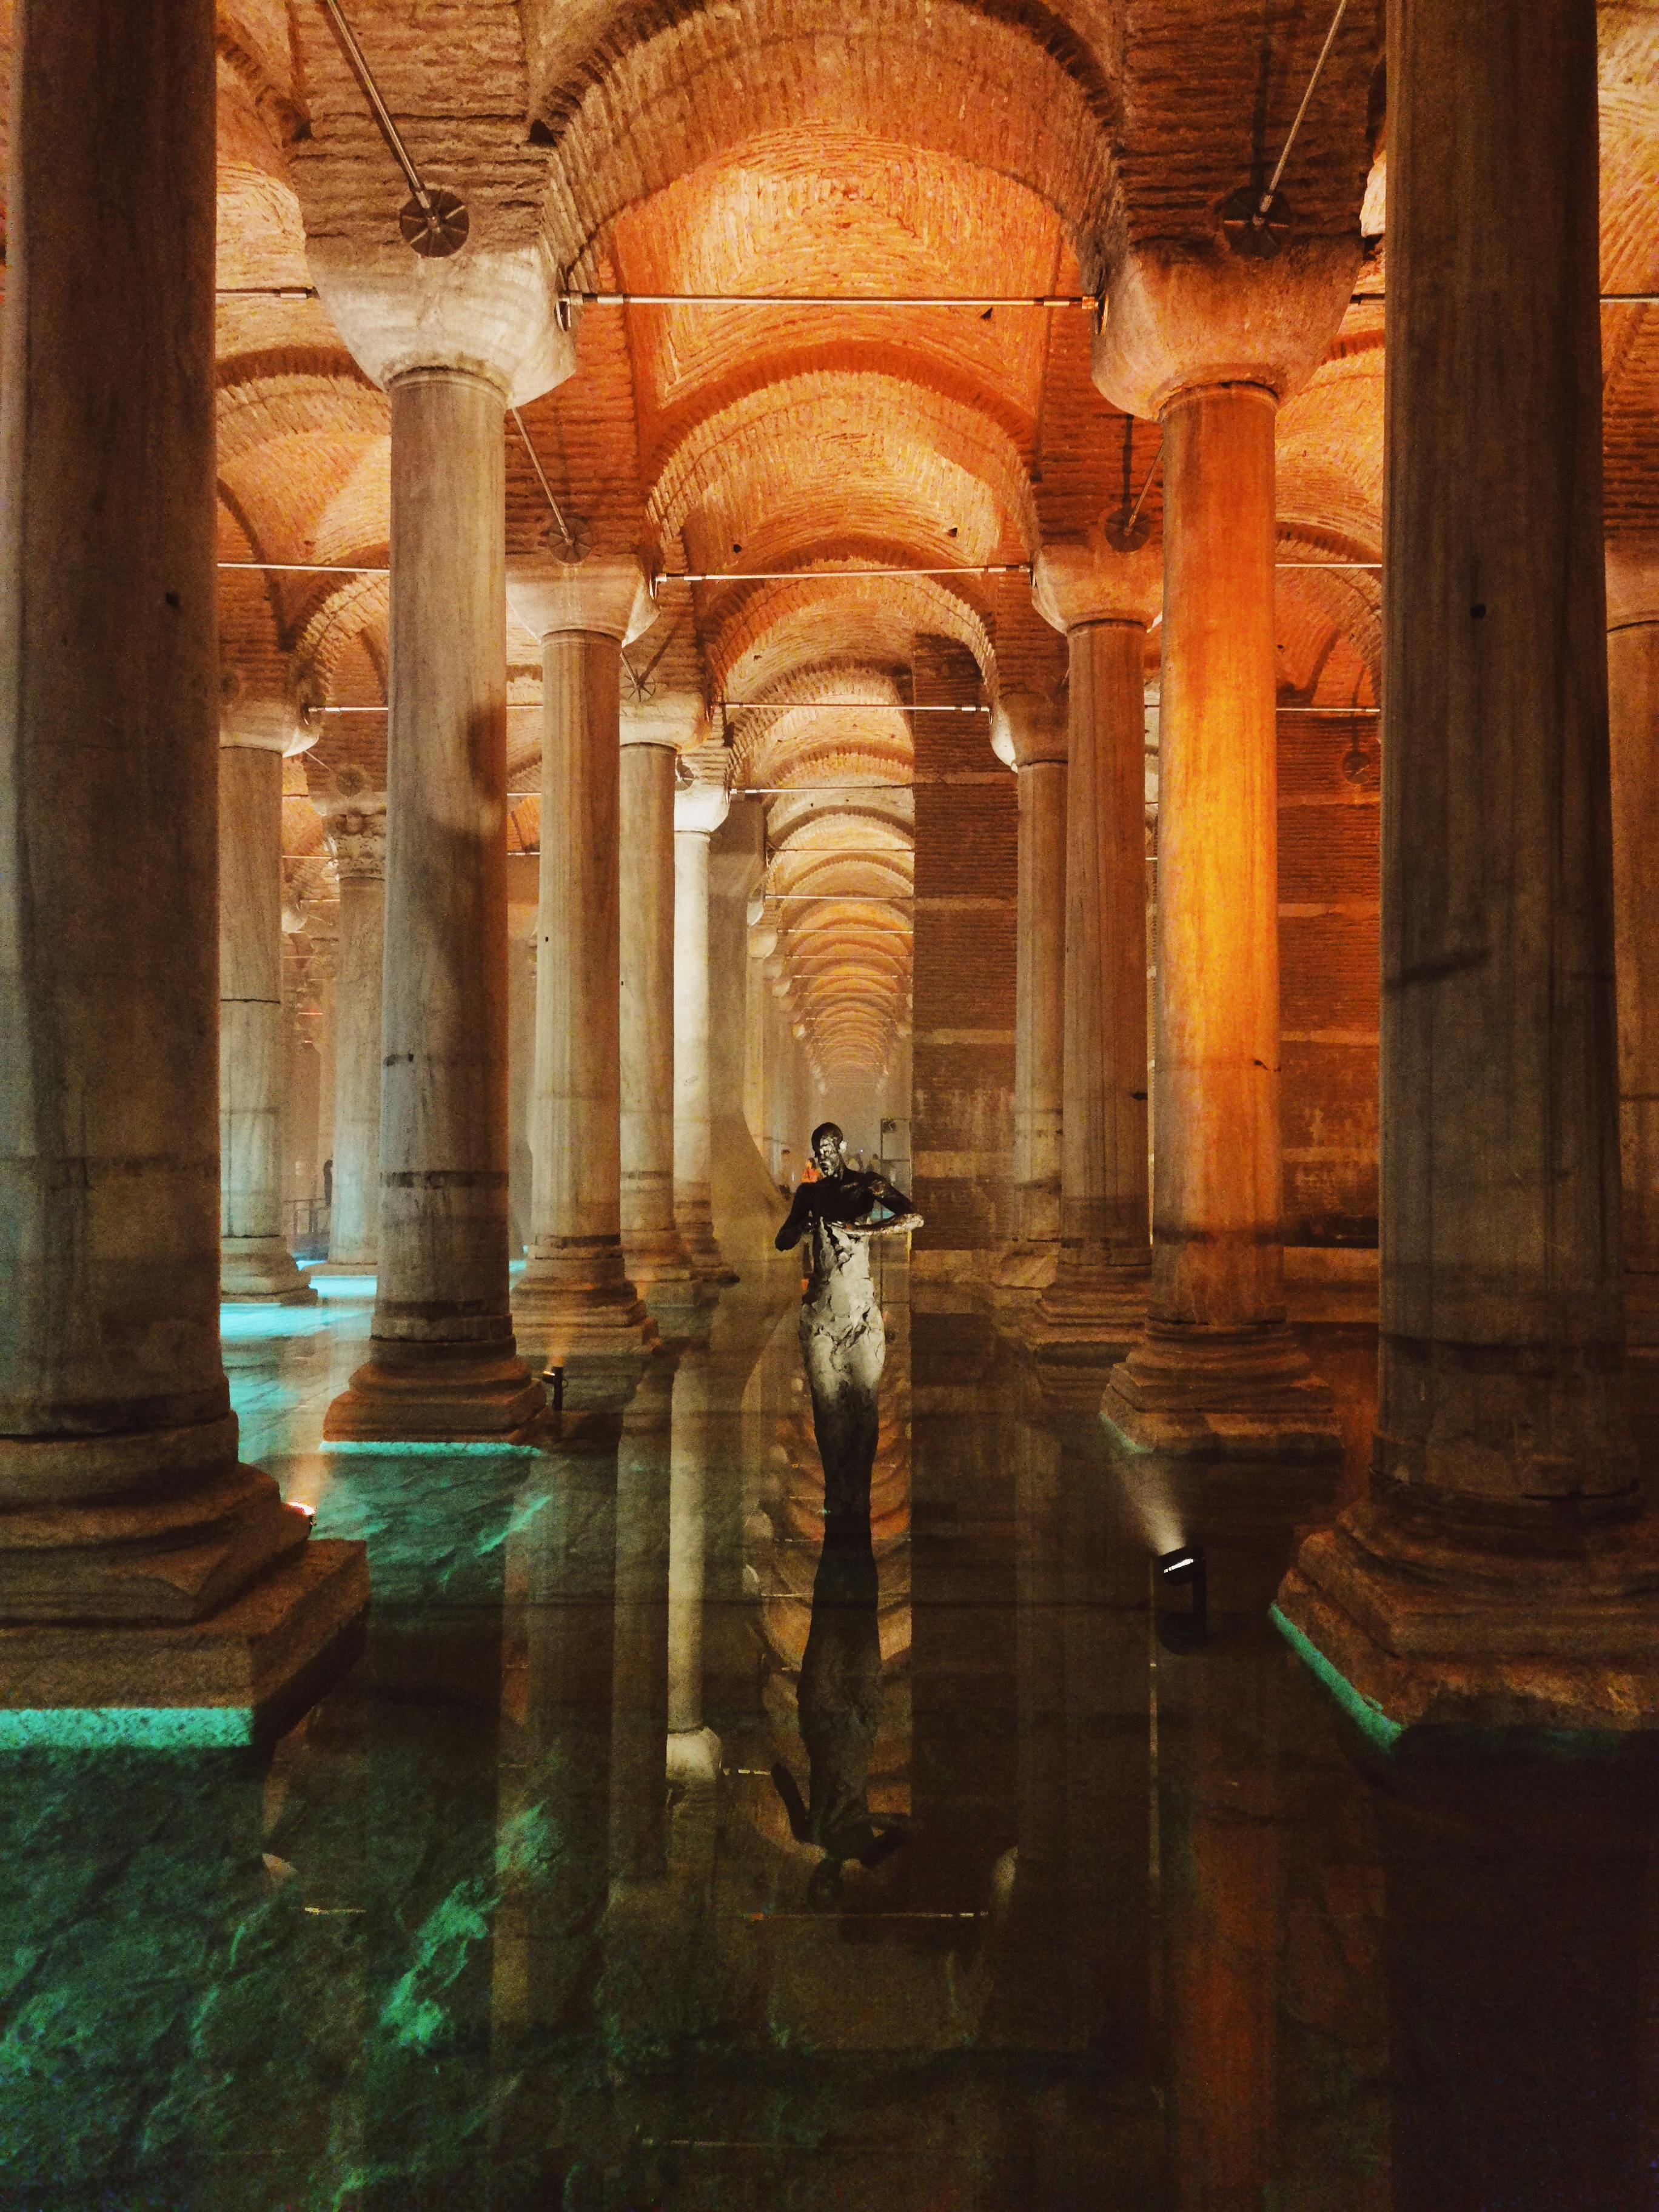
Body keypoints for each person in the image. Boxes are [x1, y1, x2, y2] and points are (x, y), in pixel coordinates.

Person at [774, 1121, 920, 1515]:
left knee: (864, 1404)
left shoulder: (867, 1185)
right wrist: (797, 1229)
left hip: (860, 1314)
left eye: (827, 1149)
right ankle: (836, 1485)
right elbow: (783, 1237)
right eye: (817, 1151)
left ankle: (859, 1483)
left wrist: (865, 1227)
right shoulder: (808, 1192)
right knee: (826, 1407)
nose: (822, 1157)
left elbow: (911, 1217)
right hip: (821, 1313)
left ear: (840, 1147)